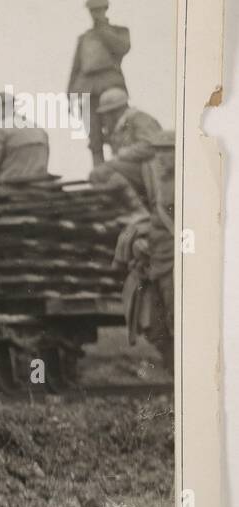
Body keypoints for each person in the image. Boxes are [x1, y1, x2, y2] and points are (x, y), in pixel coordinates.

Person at [113, 131, 175, 371]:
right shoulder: (161, 183)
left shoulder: (186, 183)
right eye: (157, 151)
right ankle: (174, 375)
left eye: (166, 151)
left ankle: (184, 382)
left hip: (174, 264)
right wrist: (141, 239)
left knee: (178, 322)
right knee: (155, 325)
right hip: (157, 262)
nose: (160, 157)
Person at [68, 0, 131, 166]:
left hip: (110, 86)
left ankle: (122, 170)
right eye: (92, 11)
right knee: (94, 137)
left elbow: (122, 48)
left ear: (105, 10)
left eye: (98, 10)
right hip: (86, 89)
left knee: (117, 132)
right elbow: (76, 69)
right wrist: (70, 98)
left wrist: (102, 28)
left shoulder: (119, 31)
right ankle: (100, 174)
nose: (95, 13)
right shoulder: (84, 38)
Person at [0, 90, 50, 179]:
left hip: (12, 182)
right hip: (40, 180)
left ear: (2, 107)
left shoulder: (0, 129)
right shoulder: (37, 128)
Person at [94, 87, 162, 157]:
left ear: (116, 110)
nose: (106, 117)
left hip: (148, 163)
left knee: (105, 168)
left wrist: (124, 152)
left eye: (108, 113)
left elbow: (150, 145)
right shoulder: (122, 124)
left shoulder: (139, 118)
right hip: (135, 162)